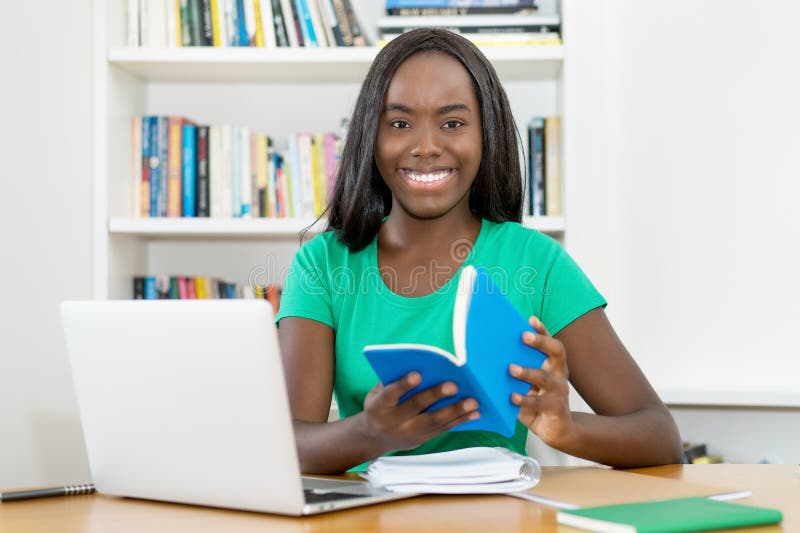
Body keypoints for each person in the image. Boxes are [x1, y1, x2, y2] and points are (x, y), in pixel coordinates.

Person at [275, 28, 683, 474]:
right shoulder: (323, 265)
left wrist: (566, 429)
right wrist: (368, 433)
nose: (426, 147)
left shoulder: (536, 262)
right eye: (400, 124)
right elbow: (284, 446)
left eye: (452, 123)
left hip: (501, 508)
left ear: (486, 135)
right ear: (370, 137)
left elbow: (659, 437)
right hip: (368, 509)